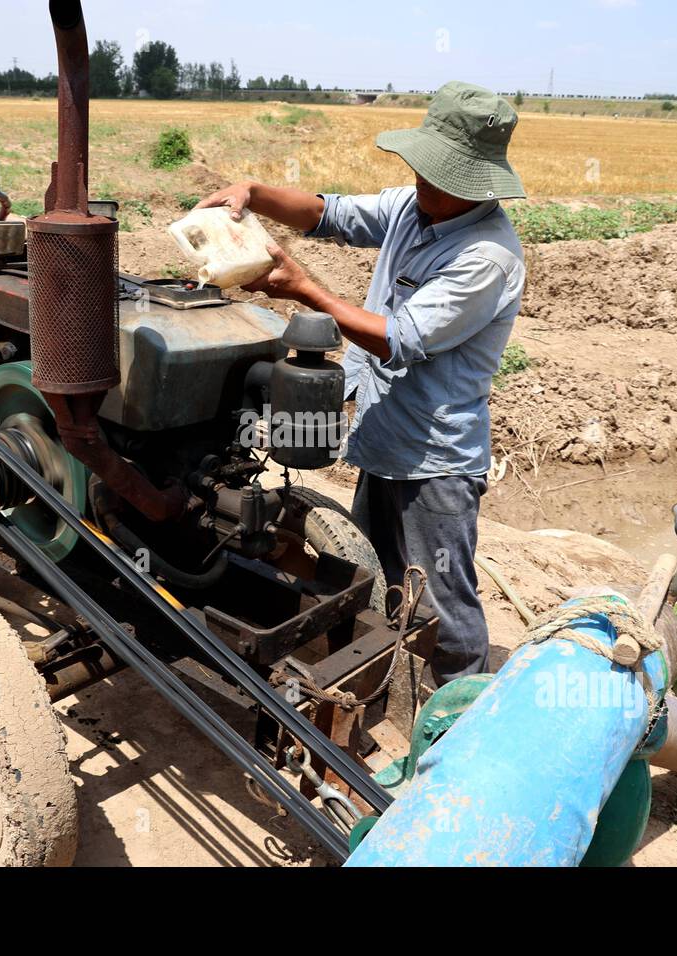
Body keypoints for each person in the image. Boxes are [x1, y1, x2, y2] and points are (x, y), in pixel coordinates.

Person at [198, 81, 526, 685]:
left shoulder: (487, 257)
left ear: (477, 184)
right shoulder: (415, 206)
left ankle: (462, 713)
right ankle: (378, 684)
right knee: (368, 576)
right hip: (383, 437)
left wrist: (304, 289)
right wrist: (255, 192)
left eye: (438, 176)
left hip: (434, 460)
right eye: (421, 170)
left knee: (443, 605)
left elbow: (396, 337)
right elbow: (329, 214)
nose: (421, 182)